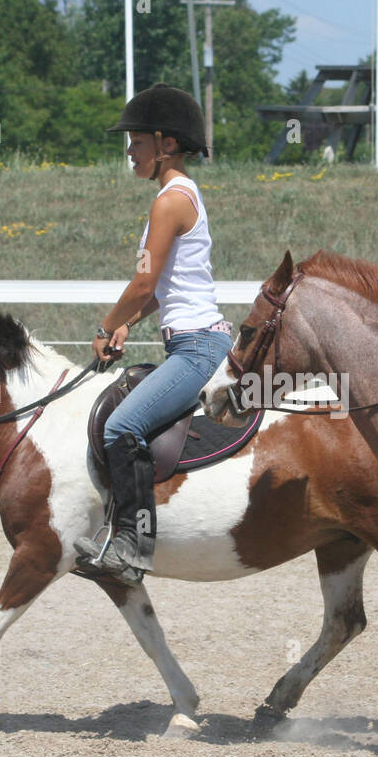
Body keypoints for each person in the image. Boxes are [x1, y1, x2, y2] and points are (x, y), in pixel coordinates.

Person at [74, 84, 232, 583]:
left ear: (166, 144)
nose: (129, 152)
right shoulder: (175, 198)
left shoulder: (170, 203)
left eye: (136, 142)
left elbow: (143, 280)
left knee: (122, 427)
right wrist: (125, 324)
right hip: (189, 338)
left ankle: (132, 546)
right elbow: (159, 290)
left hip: (198, 347)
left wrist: (106, 323)